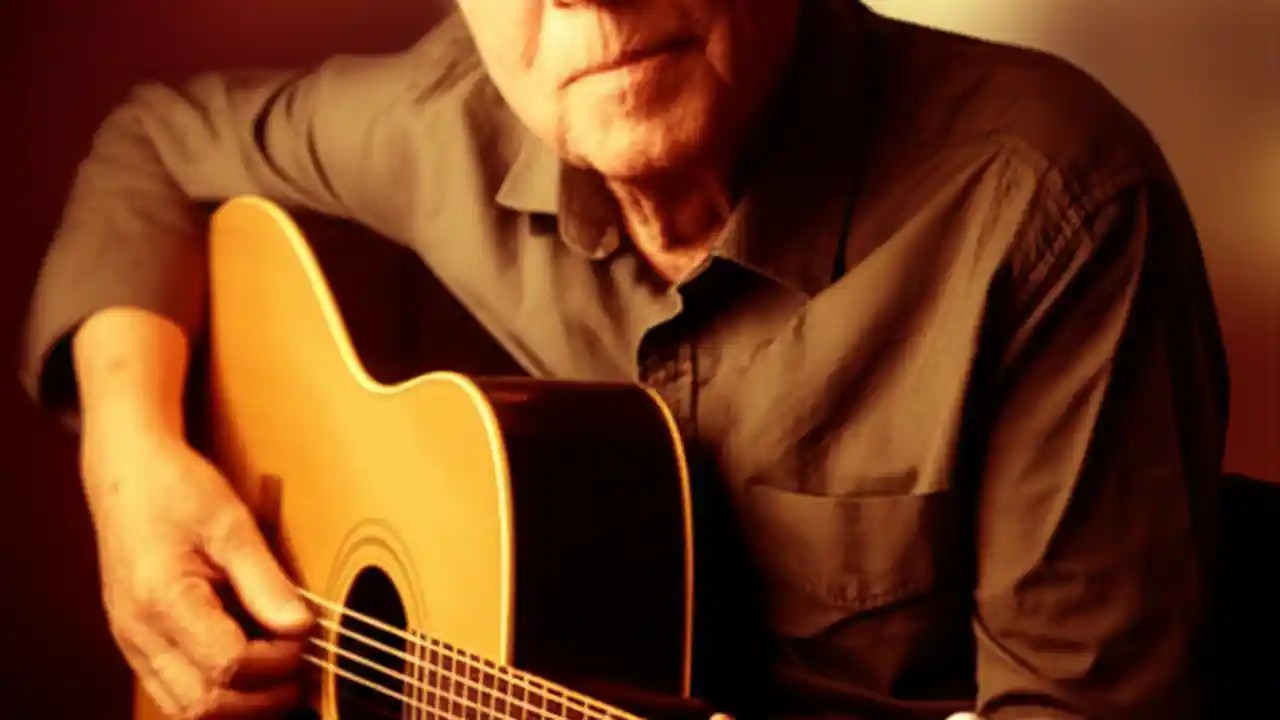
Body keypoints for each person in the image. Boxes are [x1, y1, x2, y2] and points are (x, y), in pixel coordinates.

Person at [19, 0, 1229, 718]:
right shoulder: (445, 118)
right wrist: (133, 469)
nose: (587, 2)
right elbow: (157, 147)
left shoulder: (1047, 205)